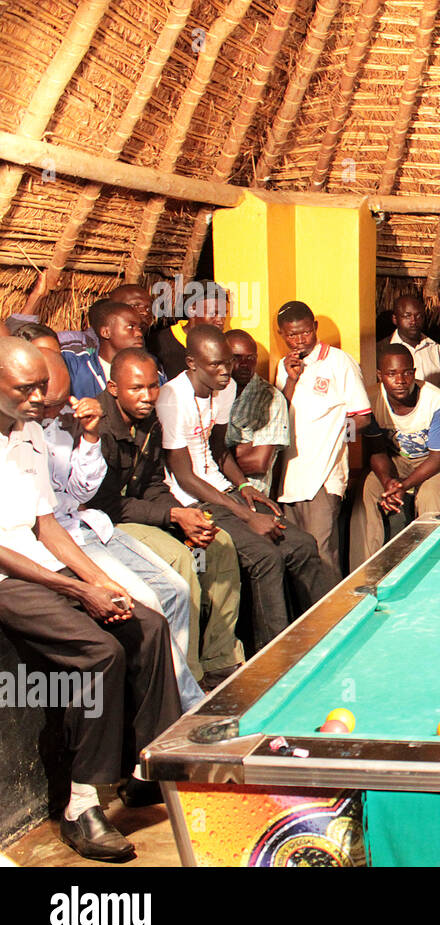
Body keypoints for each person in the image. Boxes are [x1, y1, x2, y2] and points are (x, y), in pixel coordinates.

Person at [0, 337, 179, 862]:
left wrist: (98, 580)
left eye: (42, 387)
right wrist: (77, 589)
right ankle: (81, 808)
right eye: (24, 388)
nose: (37, 398)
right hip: (8, 579)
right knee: (100, 652)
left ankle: (145, 766)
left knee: (146, 625)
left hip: (43, 562)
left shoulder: (29, 432)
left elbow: (46, 524)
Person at [36, 346, 201, 711]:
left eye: (64, 398)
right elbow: (53, 518)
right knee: (152, 602)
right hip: (61, 539)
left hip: (87, 524)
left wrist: (89, 439)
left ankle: (170, 694)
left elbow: (81, 491)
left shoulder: (69, 421)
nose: (62, 406)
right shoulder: (27, 433)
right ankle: (184, 704)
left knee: (175, 590)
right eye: (52, 400)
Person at [159, 325, 337, 652]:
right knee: (266, 557)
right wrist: (245, 514)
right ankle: (277, 655)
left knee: (301, 543)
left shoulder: (224, 389)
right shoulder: (172, 398)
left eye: (228, 362)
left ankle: (327, 632)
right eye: (216, 364)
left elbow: (218, 449)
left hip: (223, 491)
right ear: (192, 363)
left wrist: (242, 485)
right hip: (193, 500)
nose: (226, 371)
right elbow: (185, 476)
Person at [87, 348, 244, 692]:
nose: (147, 397)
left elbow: (153, 482)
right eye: (136, 389)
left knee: (218, 543)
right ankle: (188, 677)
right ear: (113, 388)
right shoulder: (98, 427)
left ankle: (220, 658)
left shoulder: (150, 420)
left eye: (152, 387)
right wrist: (172, 515)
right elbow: (105, 505)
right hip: (104, 524)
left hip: (141, 511)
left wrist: (184, 516)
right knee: (182, 560)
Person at [274, 301, 372, 579]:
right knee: (298, 555)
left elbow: (363, 417)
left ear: (315, 327)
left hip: (323, 476)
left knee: (322, 555)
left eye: (305, 332)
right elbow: (278, 416)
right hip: (290, 477)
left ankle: (333, 619)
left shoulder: (339, 362)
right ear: (282, 334)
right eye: (291, 335)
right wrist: (291, 379)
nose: (299, 340)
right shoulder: (284, 367)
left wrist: (335, 440)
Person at [349, 343, 440, 567]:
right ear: (380, 376)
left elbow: (436, 458)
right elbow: (376, 450)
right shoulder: (371, 399)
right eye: (392, 374)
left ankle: (429, 565)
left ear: (414, 373)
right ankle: (365, 571)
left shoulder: (436, 401)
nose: (401, 380)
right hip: (394, 461)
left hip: (432, 463)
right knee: (368, 489)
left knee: (429, 497)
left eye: (407, 373)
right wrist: (388, 482)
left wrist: (403, 485)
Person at [224, 329, 290, 498]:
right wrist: (243, 448)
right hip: (210, 494)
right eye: (236, 357)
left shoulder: (270, 398)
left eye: (251, 358)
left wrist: (217, 453)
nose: (245, 364)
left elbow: (258, 463)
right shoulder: (210, 393)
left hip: (250, 497)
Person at [64, 299, 150, 400]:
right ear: (105, 332)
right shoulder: (74, 367)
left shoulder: (150, 372)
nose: (139, 333)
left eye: (140, 328)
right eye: (131, 327)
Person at [148, 282, 229, 380]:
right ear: (192, 310)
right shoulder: (159, 343)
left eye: (224, 314)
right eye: (213, 313)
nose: (220, 320)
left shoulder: (224, 345)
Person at [389, 294, 440, 393]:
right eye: (407, 316)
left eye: (419, 316)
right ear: (395, 319)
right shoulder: (384, 349)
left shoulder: (435, 348)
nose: (413, 321)